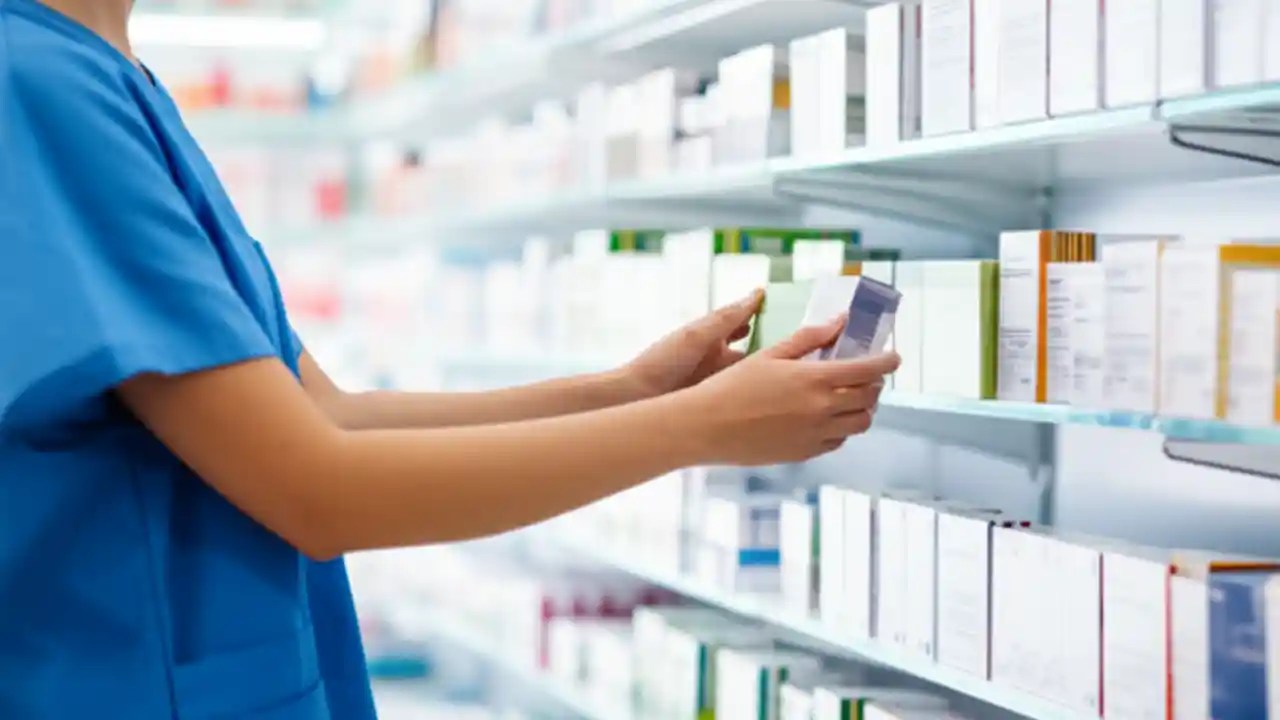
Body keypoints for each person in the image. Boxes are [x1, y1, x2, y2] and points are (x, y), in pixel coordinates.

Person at [0, 0, 900, 717]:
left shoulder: (108, 78)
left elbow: (324, 414)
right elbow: (320, 489)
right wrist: (699, 429)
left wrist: (630, 390)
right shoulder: (39, 84)